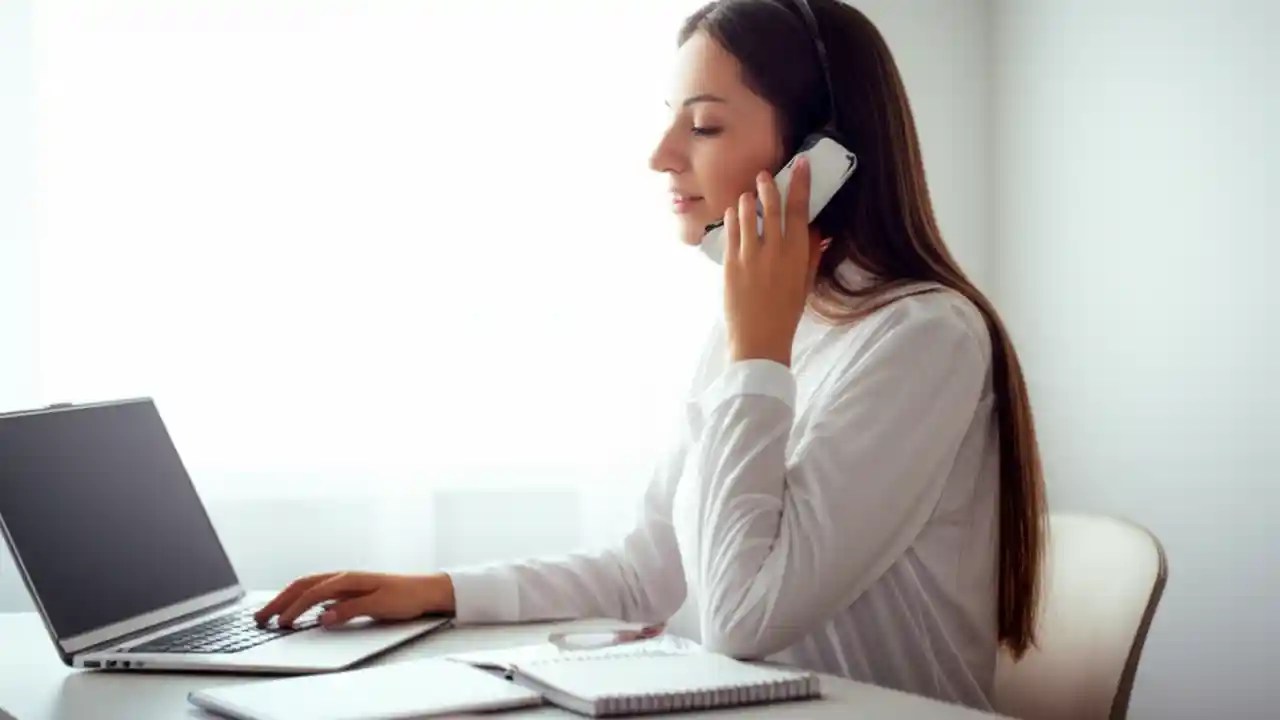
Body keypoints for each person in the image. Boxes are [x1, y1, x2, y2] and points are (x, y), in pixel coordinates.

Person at [255, 0, 1046, 710]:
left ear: (820, 154)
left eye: (702, 125)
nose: (663, 154)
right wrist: (440, 591)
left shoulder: (921, 338)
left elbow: (741, 620)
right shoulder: (757, 332)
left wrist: (758, 354)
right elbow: (646, 574)